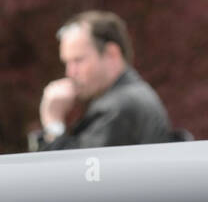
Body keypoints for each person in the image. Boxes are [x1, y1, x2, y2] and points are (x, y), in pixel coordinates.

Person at [31, 10, 172, 150]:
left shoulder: (118, 107)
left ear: (111, 53)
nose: (70, 72)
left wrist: (53, 124)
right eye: (67, 63)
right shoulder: (131, 96)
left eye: (78, 60)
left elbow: (78, 169)